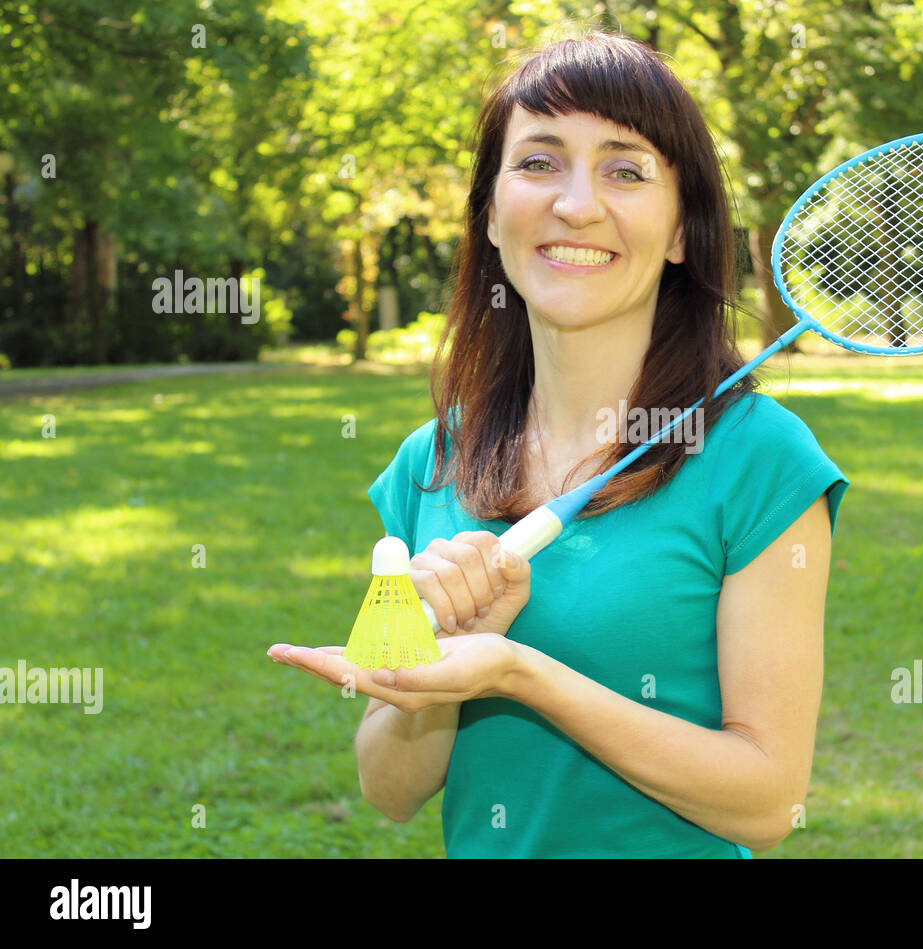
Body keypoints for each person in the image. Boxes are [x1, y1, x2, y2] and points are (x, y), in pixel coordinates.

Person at [269, 29, 849, 858]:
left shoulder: (761, 462)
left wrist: (515, 671)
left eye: (625, 169)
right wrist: (435, 670)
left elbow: (765, 801)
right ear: (494, 217)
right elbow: (389, 788)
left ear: (683, 229)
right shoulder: (428, 462)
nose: (577, 204)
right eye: (539, 162)